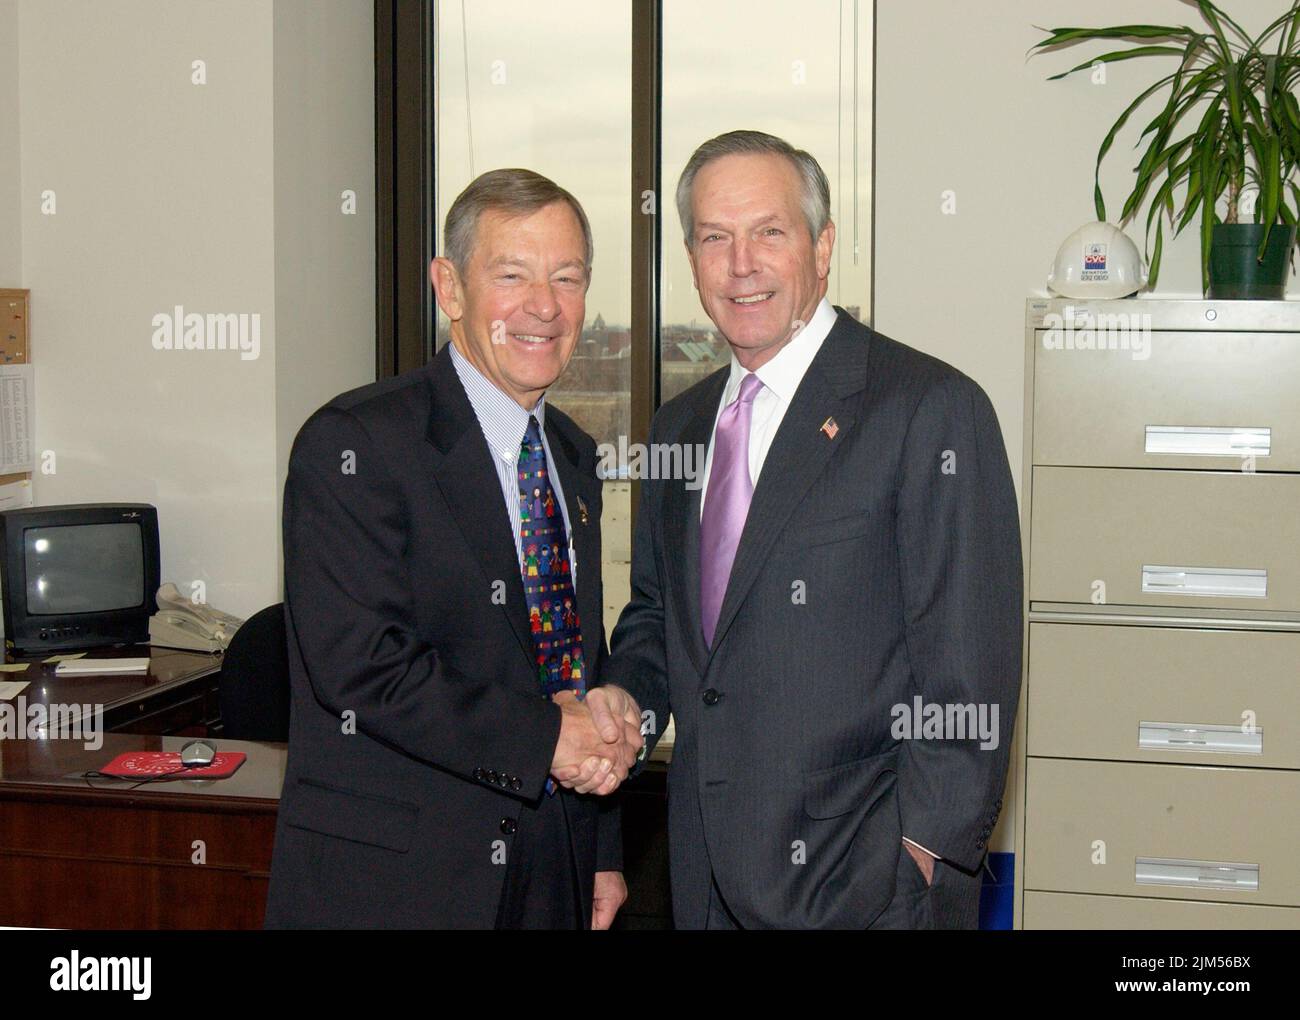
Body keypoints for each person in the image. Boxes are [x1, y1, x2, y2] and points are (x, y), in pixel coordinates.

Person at [591, 130, 1023, 929]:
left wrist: (918, 861)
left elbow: (969, 673)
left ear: (823, 248)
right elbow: (657, 617)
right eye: (715, 238)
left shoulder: (928, 408)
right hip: (702, 879)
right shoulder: (679, 426)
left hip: (864, 889)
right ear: (690, 258)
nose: (740, 263)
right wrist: (624, 703)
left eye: (769, 232)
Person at [265, 168, 642, 930]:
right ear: (449, 288)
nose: (544, 306)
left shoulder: (572, 456)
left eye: (567, 278)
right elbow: (362, 666)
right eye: (513, 275)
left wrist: (600, 847)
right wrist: (547, 740)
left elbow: (573, 661)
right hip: (401, 883)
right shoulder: (355, 444)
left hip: (552, 869)